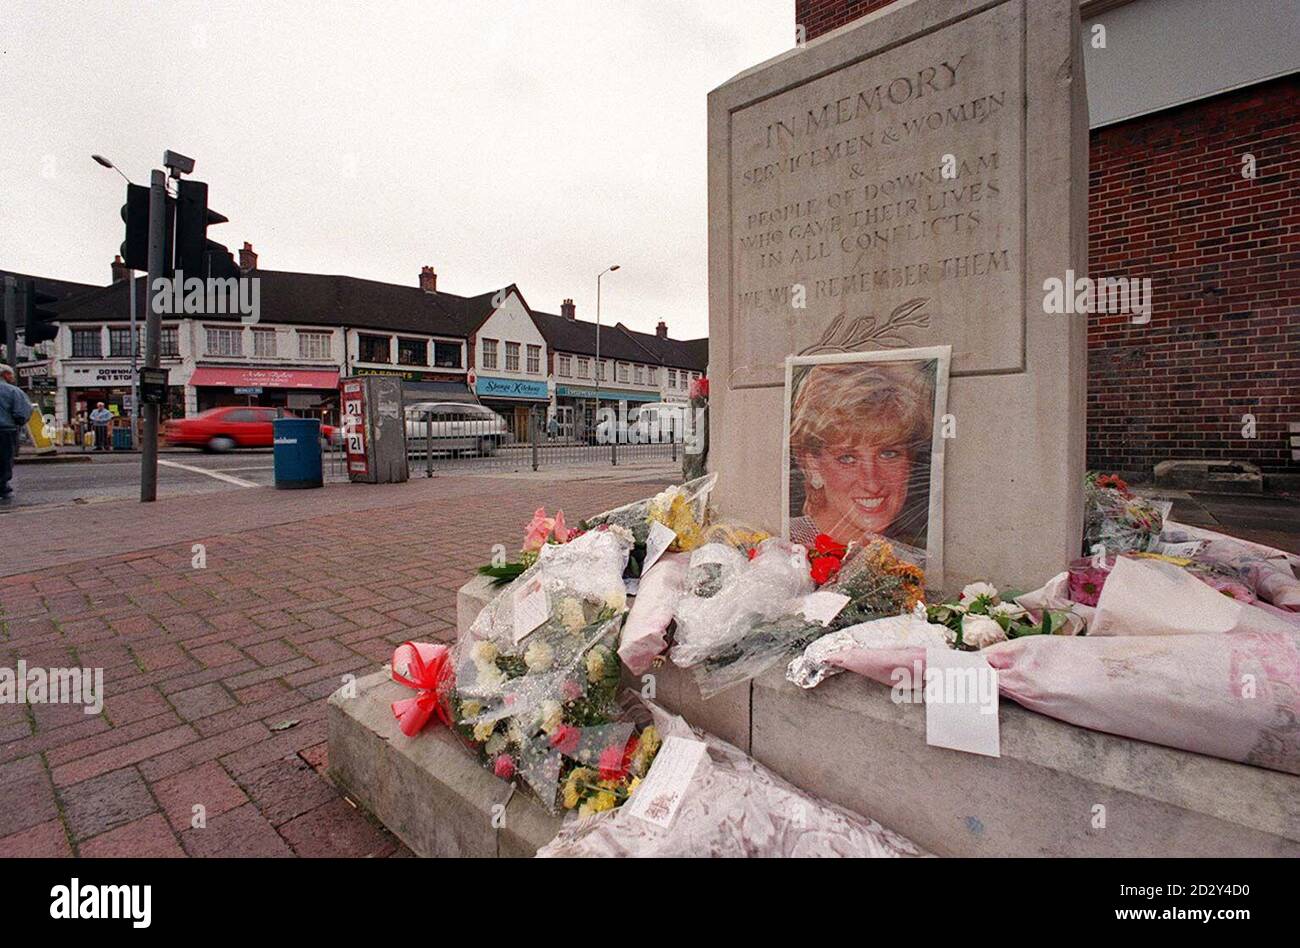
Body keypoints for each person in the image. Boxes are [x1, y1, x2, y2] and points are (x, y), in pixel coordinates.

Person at [787, 360, 934, 559]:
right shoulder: (781, 545)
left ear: (910, 461)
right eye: (847, 458)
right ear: (811, 465)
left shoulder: (912, 560)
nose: (872, 483)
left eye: (888, 454)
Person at [0, 364, 34, 503]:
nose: (13, 377)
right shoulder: (13, 391)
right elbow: (22, 412)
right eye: (11, 375)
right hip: (5, 430)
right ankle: (2, 487)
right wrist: (18, 422)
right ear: (6, 375)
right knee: (4, 459)